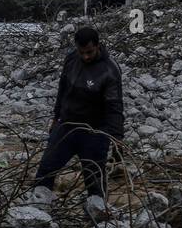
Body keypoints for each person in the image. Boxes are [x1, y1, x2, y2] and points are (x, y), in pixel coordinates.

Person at [34, 25, 124, 205]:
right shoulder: (71, 59)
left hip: (95, 131)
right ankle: (38, 209)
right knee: (46, 168)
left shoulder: (110, 70)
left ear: (98, 46)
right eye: (82, 52)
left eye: (89, 52)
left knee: (94, 179)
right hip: (67, 125)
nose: (86, 57)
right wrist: (55, 117)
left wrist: (117, 138)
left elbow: (114, 107)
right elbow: (63, 89)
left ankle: (96, 216)